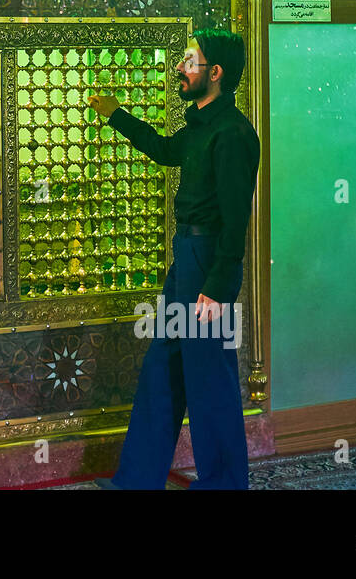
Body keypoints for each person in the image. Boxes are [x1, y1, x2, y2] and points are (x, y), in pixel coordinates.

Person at [87, 28, 259, 490]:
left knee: (210, 380)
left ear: (215, 73)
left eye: (189, 61)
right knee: (164, 365)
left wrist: (218, 287)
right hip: (187, 257)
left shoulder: (234, 134)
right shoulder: (200, 127)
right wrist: (117, 115)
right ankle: (137, 480)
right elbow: (164, 150)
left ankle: (225, 485)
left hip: (209, 262)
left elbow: (235, 219)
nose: (180, 68)